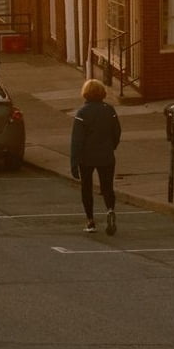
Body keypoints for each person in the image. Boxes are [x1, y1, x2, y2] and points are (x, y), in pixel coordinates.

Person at [69, 78, 122, 234]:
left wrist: (74, 162)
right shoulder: (109, 110)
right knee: (107, 187)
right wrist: (111, 146)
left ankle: (90, 221)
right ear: (102, 93)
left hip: (87, 157)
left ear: (85, 94)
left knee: (87, 188)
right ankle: (110, 209)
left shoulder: (82, 113)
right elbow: (117, 132)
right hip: (106, 155)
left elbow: (77, 140)